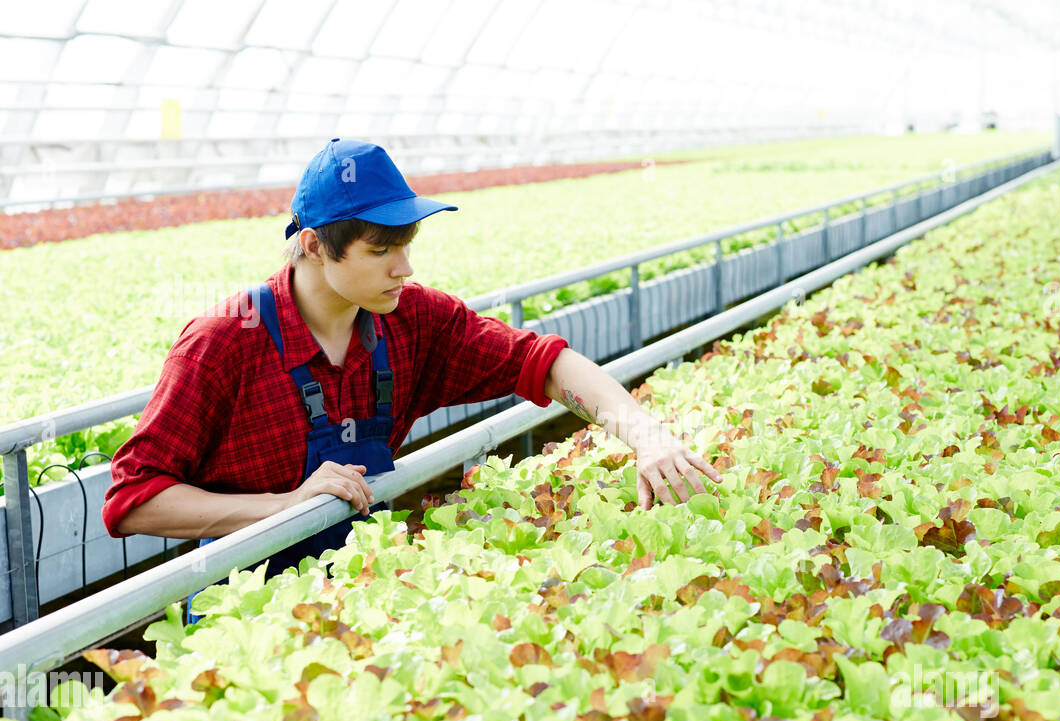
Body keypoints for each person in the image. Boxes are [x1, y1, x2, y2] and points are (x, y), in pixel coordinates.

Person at [101, 138, 723, 625]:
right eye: (380, 251)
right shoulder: (224, 341)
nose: (405, 268)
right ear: (315, 246)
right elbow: (132, 502)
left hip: (362, 598)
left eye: (407, 244)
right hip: (240, 618)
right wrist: (286, 508)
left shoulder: (413, 319)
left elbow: (545, 363)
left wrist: (646, 437)